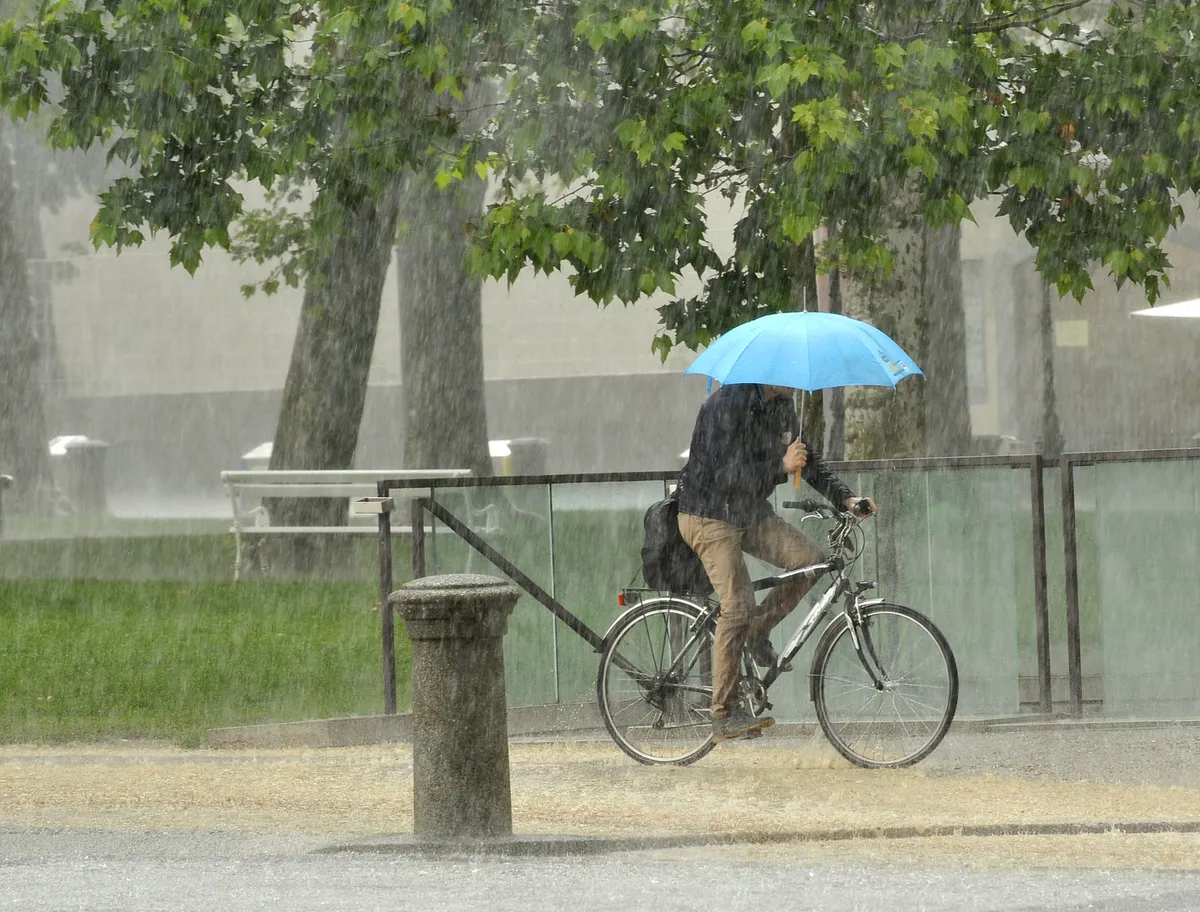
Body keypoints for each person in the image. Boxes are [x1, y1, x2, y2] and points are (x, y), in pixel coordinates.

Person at [676, 382, 875, 743]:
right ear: (768, 375)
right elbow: (722, 475)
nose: (796, 381)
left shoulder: (783, 405)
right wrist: (778, 465)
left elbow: (805, 459)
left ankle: (755, 633)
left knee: (810, 562)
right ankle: (723, 713)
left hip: (747, 512)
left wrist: (847, 497)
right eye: (788, 374)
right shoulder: (725, 404)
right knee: (736, 606)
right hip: (707, 514)